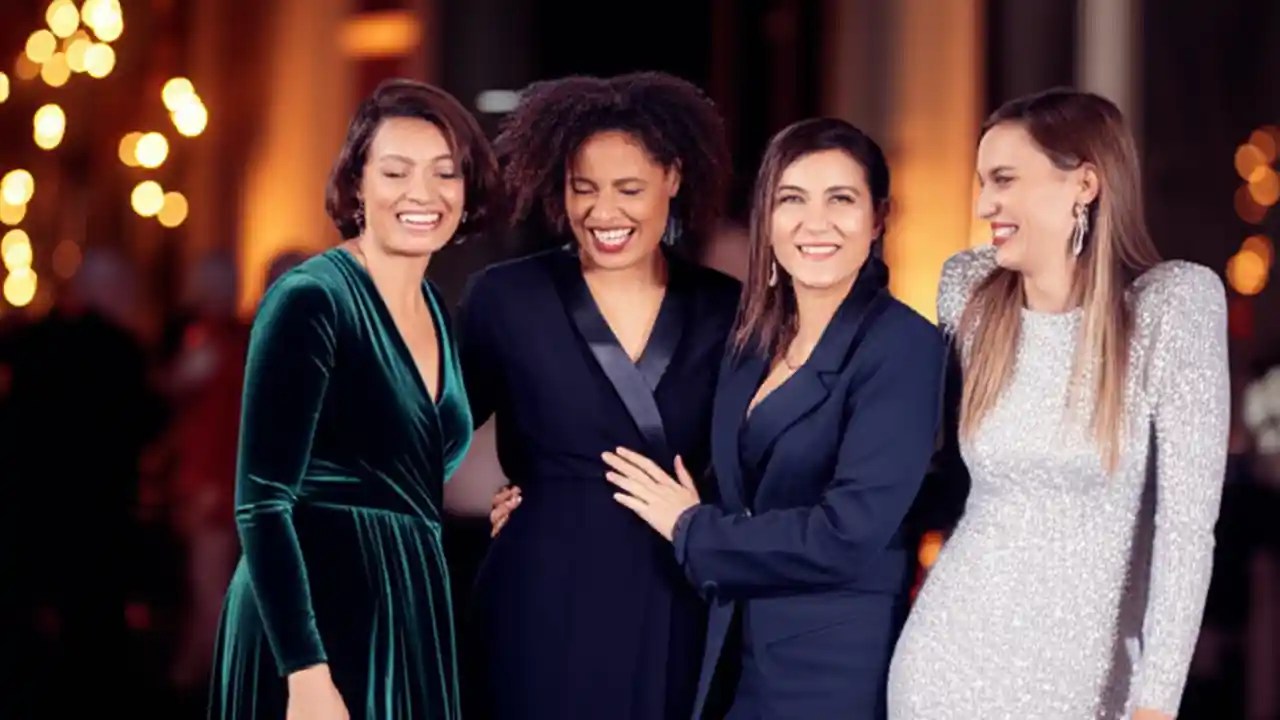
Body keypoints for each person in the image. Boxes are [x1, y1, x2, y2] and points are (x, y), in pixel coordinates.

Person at [887, 88, 1230, 720]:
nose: (985, 203)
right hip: (946, 664)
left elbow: (1186, 531)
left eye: (1005, 179)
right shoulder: (969, 293)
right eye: (982, 181)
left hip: (1092, 681)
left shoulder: (1172, 307)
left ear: (1086, 184)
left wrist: (1157, 701)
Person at [603, 117, 946, 719]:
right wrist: (538, 496)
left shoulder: (903, 347)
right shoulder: (751, 343)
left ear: (879, 218)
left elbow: (848, 534)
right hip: (729, 656)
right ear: (767, 217)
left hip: (832, 669)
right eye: (792, 199)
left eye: (840, 199)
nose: (815, 223)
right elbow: (717, 481)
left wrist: (694, 530)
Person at [208, 78, 500, 720]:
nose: (422, 193)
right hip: (310, 617)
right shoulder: (311, 300)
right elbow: (261, 504)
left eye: (444, 173)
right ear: (358, 186)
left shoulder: (435, 310)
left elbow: (411, 473)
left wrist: (518, 500)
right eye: (396, 172)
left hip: (406, 600)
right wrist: (306, 672)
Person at [458, 71, 738, 720]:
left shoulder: (726, 310)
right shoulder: (506, 298)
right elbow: (426, 440)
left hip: (671, 591)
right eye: (583, 189)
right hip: (538, 589)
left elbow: (755, 457)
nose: (602, 213)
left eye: (629, 189)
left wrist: (717, 519)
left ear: (673, 178)